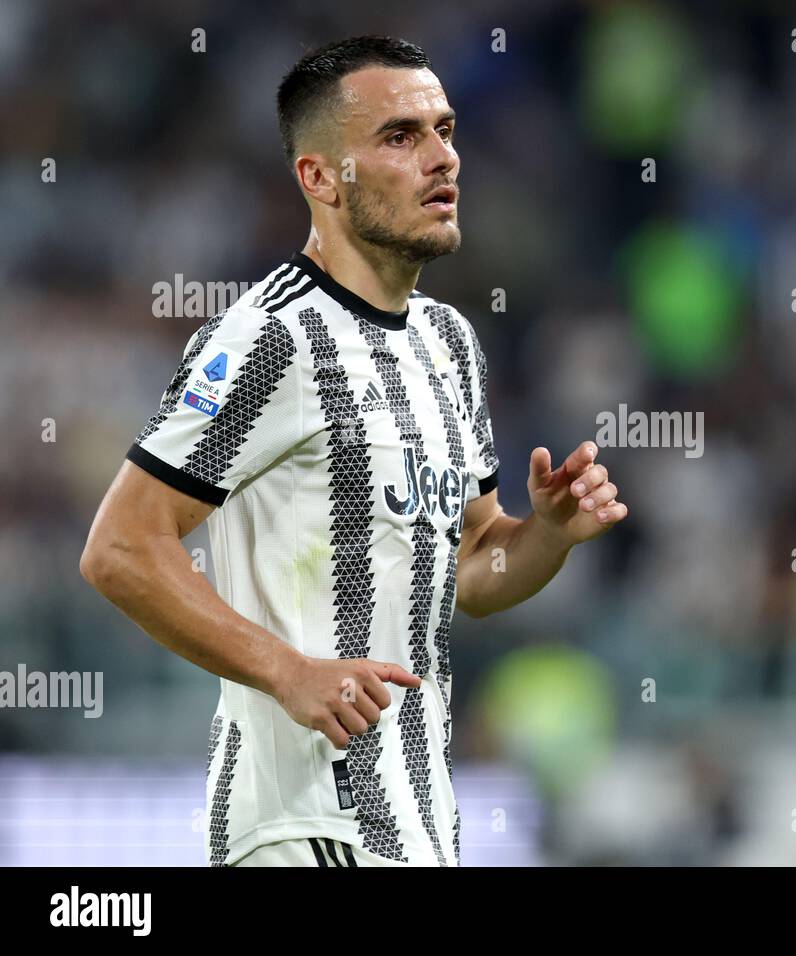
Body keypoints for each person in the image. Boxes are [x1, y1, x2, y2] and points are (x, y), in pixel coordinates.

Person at [79, 35, 627, 867]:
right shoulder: (272, 338)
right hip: (306, 822)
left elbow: (475, 574)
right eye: (401, 137)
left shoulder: (450, 345)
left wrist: (545, 533)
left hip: (417, 825)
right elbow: (120, 548)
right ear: (321, 177)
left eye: (446, 130)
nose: (443, 158)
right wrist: (289, 671)